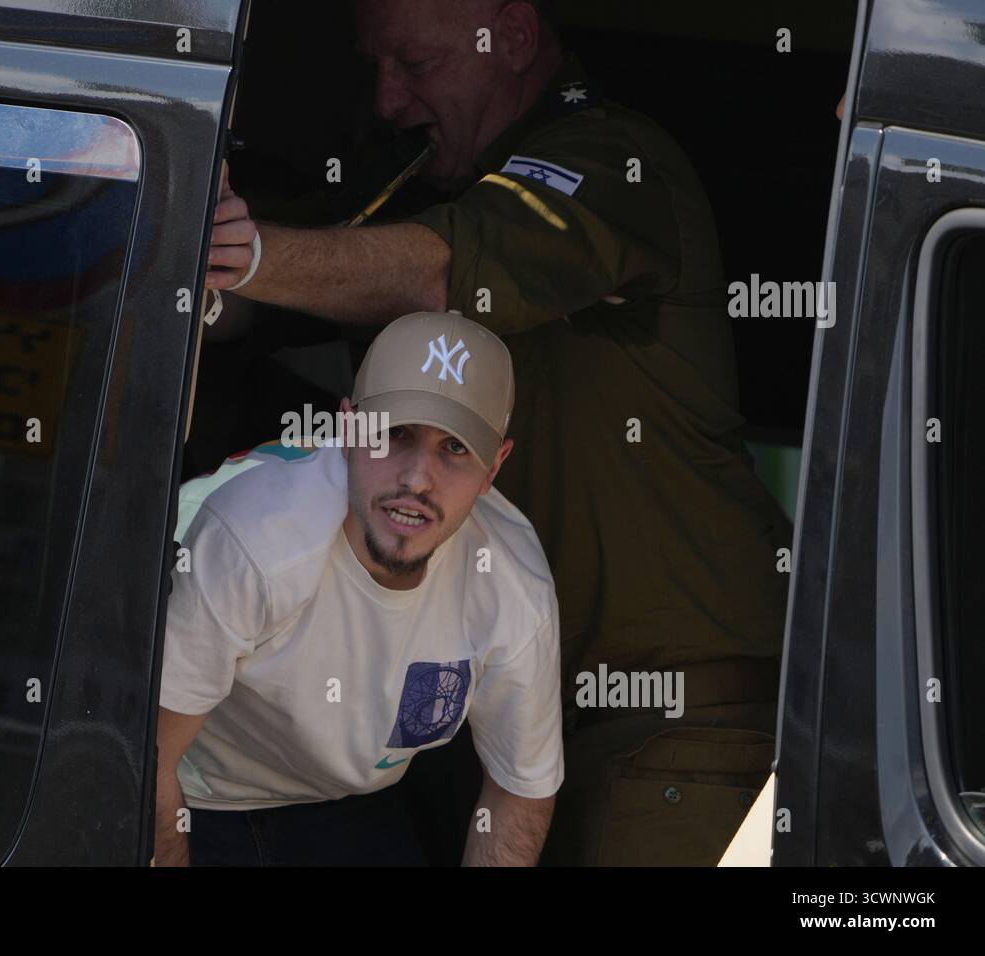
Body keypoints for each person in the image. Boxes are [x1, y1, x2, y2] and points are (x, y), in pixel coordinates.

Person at [206, 0, 790, 865]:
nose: (388, 101)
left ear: (512, 37)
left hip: (665, 728)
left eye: (415, 64)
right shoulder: (412, 182)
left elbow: (451, 272)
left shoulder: (615, 161)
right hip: (494, 724)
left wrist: (242, 253)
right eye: (377, 68)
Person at [155, 311, 562, 866]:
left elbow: (520, 792)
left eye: (455, 449)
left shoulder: (512, 583)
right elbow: (144, 759)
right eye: (395, 433)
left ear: (494, 466)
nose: (418, 479)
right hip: (197, 794)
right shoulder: (253, 538)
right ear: (347, 428)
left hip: (346, 801)